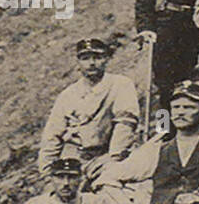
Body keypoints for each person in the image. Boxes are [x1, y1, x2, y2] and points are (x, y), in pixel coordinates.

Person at [37, 38, 139, 182]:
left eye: (97, 57)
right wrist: (47, 173)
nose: (91, 63)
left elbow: (125, 123)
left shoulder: (120, 84)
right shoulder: (68, 94)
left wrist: (113, 158)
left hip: (107, 156)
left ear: (106, 59)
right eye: (85, 58)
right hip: (75, 158)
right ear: (78, 62)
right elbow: (53, 135)